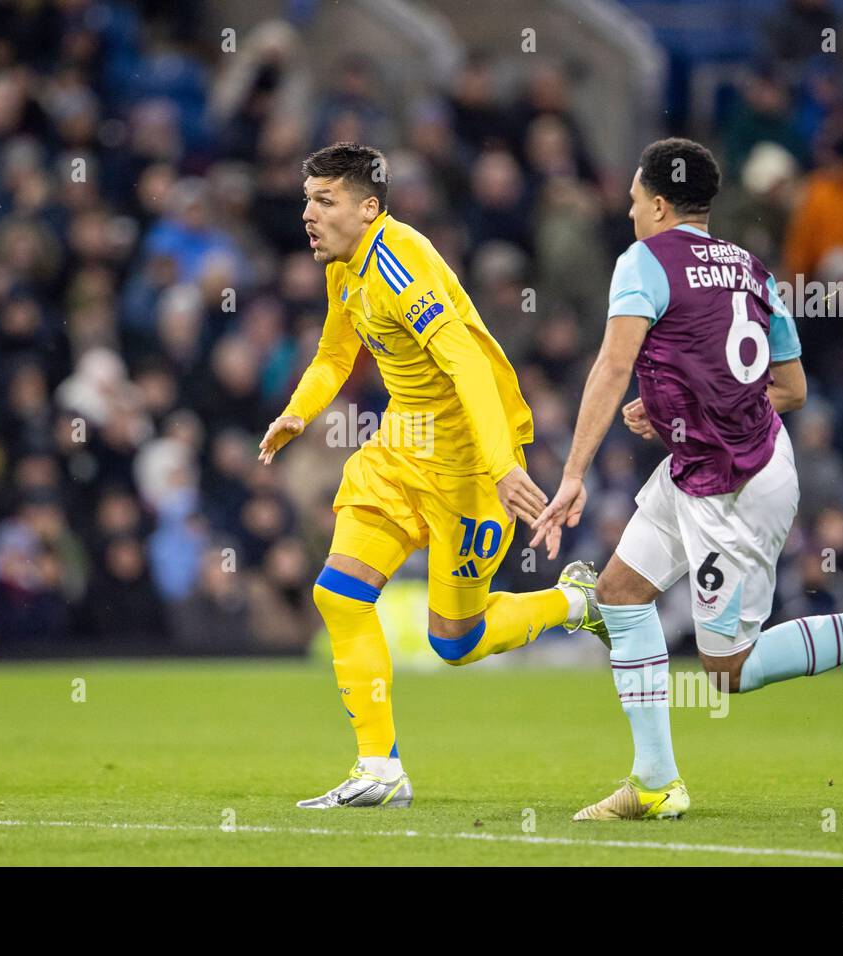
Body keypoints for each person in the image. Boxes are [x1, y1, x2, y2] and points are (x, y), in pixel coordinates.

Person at [531, 138, 843, 821]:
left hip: (731, 487)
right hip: (723, 463)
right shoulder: (750, 267)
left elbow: (610, 366)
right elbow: (792, 389)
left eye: (632, 202)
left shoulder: (643, 262)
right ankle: (654, 782)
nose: (629, 215)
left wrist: (572, 474)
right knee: (620, 591)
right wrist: (684, 411)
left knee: (729, 671)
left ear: (657, 205)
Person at [258, 142, 605, 809]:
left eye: (324, 200)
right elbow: (336, 352)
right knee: (339, 595)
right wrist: (298, 413)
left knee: (457, 640)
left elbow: (469, 367)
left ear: (368, 207)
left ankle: (577, 603)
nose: (308, 213)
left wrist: (502, 467)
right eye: (307, 199)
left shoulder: (398, 262)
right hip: (399, 447)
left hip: (469, 463)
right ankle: (379, 770)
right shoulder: (343, 265)